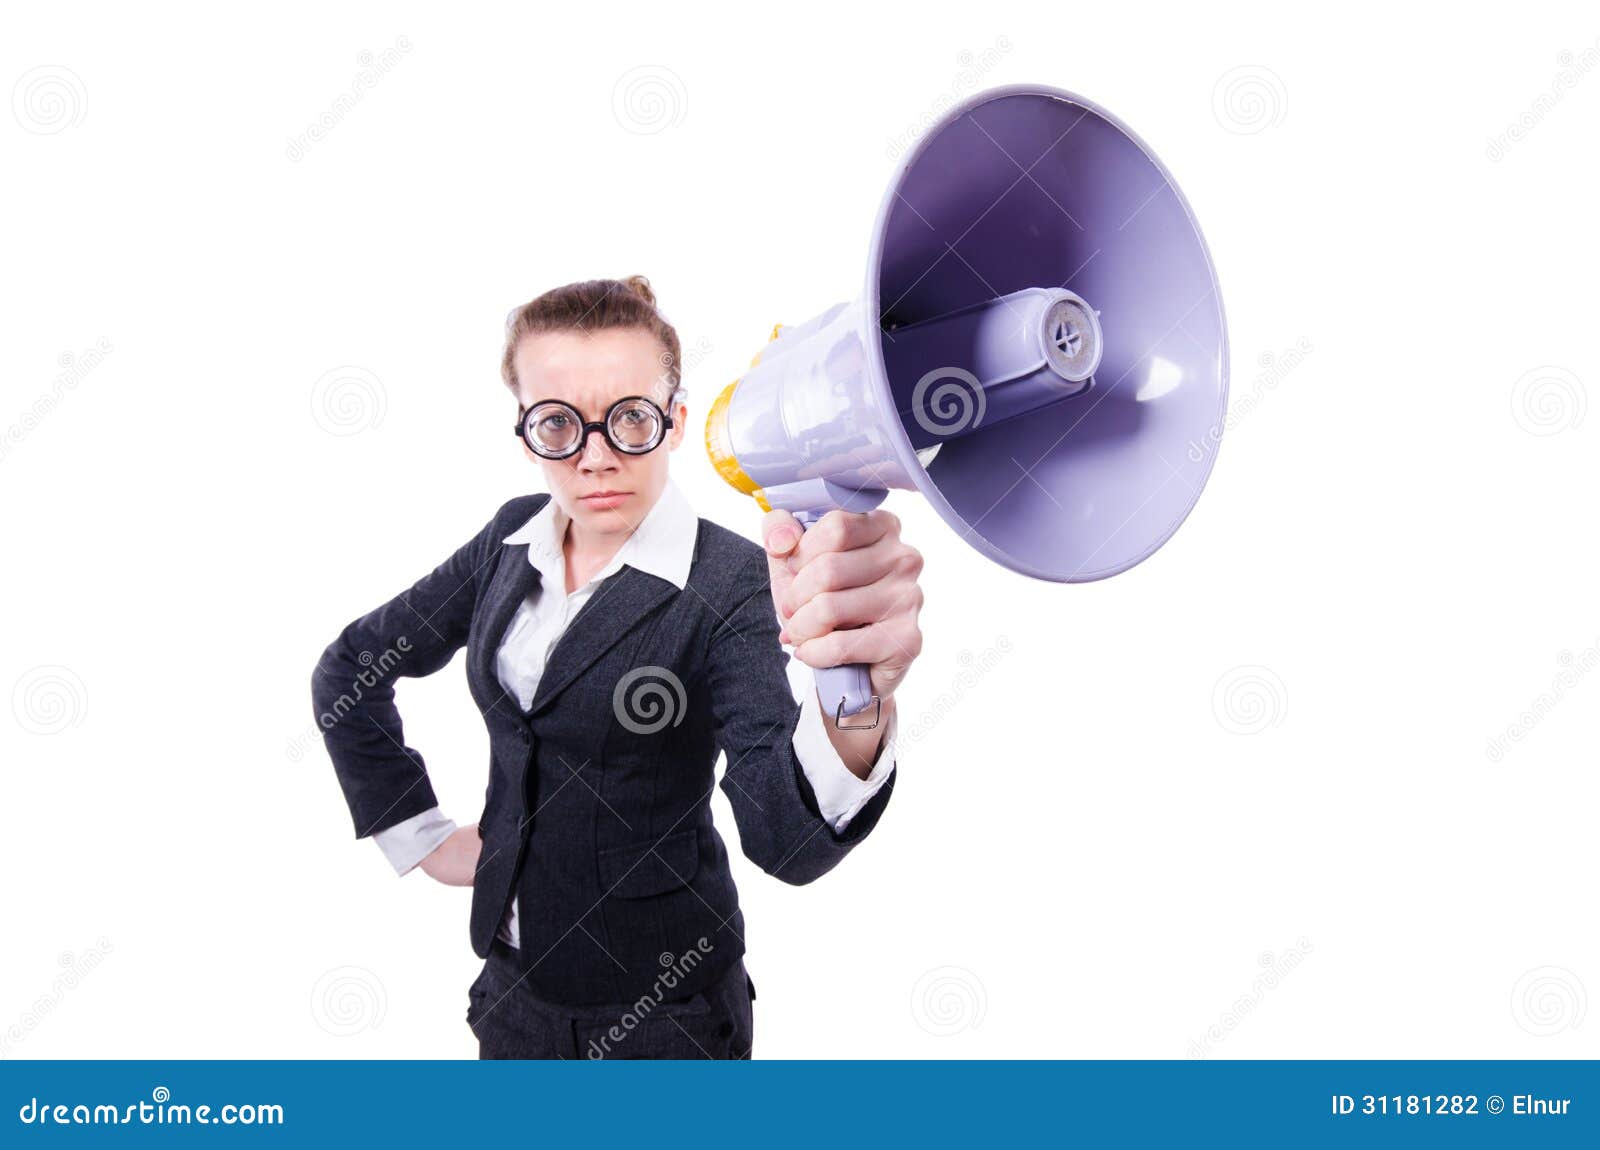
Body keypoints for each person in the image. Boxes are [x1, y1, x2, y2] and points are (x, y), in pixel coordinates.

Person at [311, 276, 925, 1058]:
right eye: (558, 424)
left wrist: (856, 698)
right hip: (510, 996)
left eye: (629, 419)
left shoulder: (730, 581)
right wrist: (419, 834)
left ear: (673, 423)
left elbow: (786, 841)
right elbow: (352, 669)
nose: (596, 458)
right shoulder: (507, 539)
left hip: (666, 1018)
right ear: (526, 431)